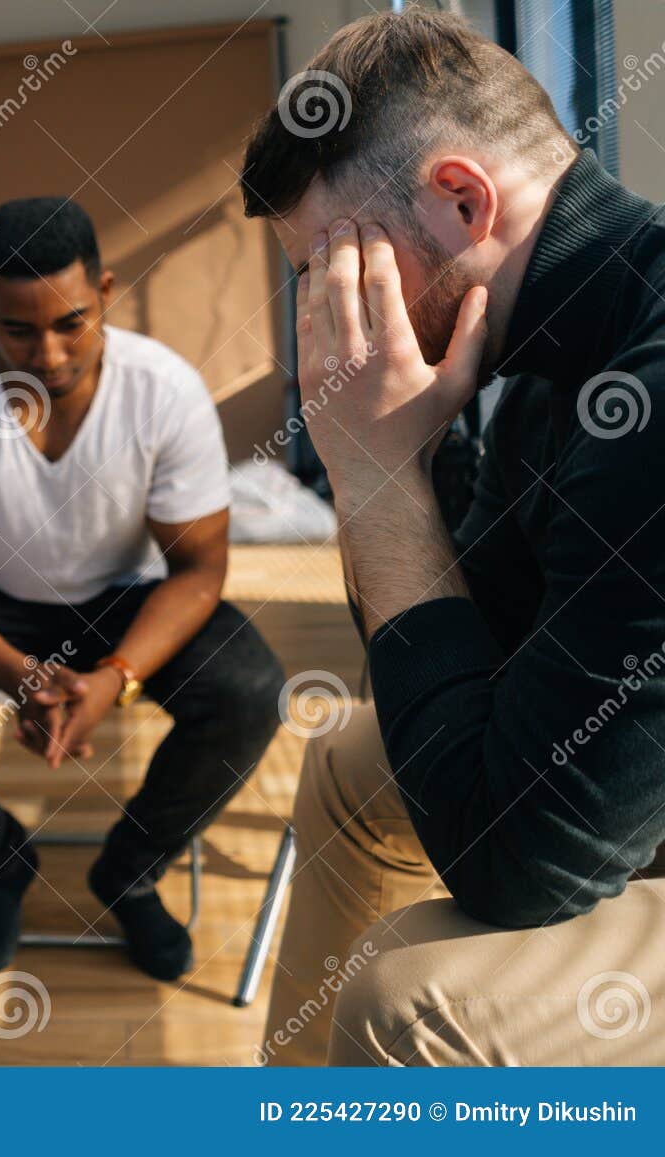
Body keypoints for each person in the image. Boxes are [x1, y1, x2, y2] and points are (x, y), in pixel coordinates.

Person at [240, 8, 665, 1065]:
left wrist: (373, 474)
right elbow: (447, 657)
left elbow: (516, 860)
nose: (320, 313)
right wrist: (388, 466)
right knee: (353, 759)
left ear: (462, 201)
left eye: (331, 263)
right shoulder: (559, 356)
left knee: (408, 998)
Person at [0, 196, 286, 978]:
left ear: (106, 291)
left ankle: (130, 872)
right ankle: (3, 859)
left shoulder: (166, 391)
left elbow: (199, 570)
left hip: (126, 597)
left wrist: (116, 678)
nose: (47, 352)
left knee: (251, 690)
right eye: (18, 328)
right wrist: (20, 673)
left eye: (70, 321)